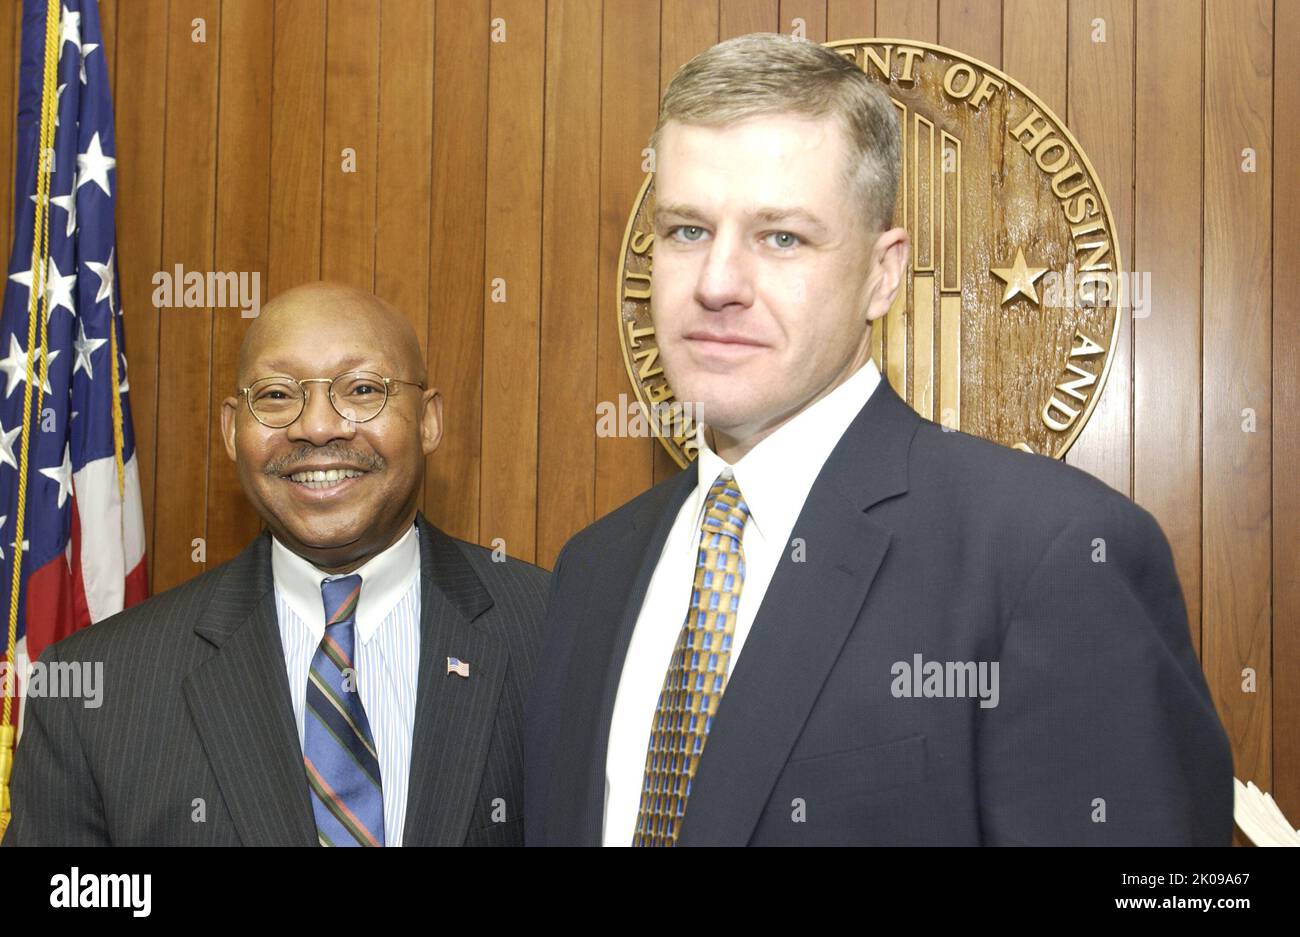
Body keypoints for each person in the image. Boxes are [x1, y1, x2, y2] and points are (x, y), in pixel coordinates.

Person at [524, 33, 1234, 846]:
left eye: (781, 236)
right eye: (687, 230)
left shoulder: (1053, 554)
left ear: (883, 273)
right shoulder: (592, 571)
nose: (717, 283)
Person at [3, 281, 547, 846]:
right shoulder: (96, 692)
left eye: (363, 389)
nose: (315, 426)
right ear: (232, 430)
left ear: (429, 420)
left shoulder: (556, 632)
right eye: (277, 395)